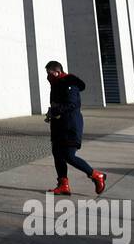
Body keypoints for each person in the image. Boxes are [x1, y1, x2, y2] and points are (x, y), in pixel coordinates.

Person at [43, 60, 106, 196]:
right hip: (58, 126)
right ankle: (63, 185)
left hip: (70, 126)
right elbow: (57, 104)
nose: (47, 77)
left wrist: (55, 110)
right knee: (57, 154)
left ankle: (96, 175)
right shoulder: (55, 84)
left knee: (69, 155)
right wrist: (51, 113)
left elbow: (72, 104)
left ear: (57, 71)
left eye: (49, 73)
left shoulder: (69, 83)